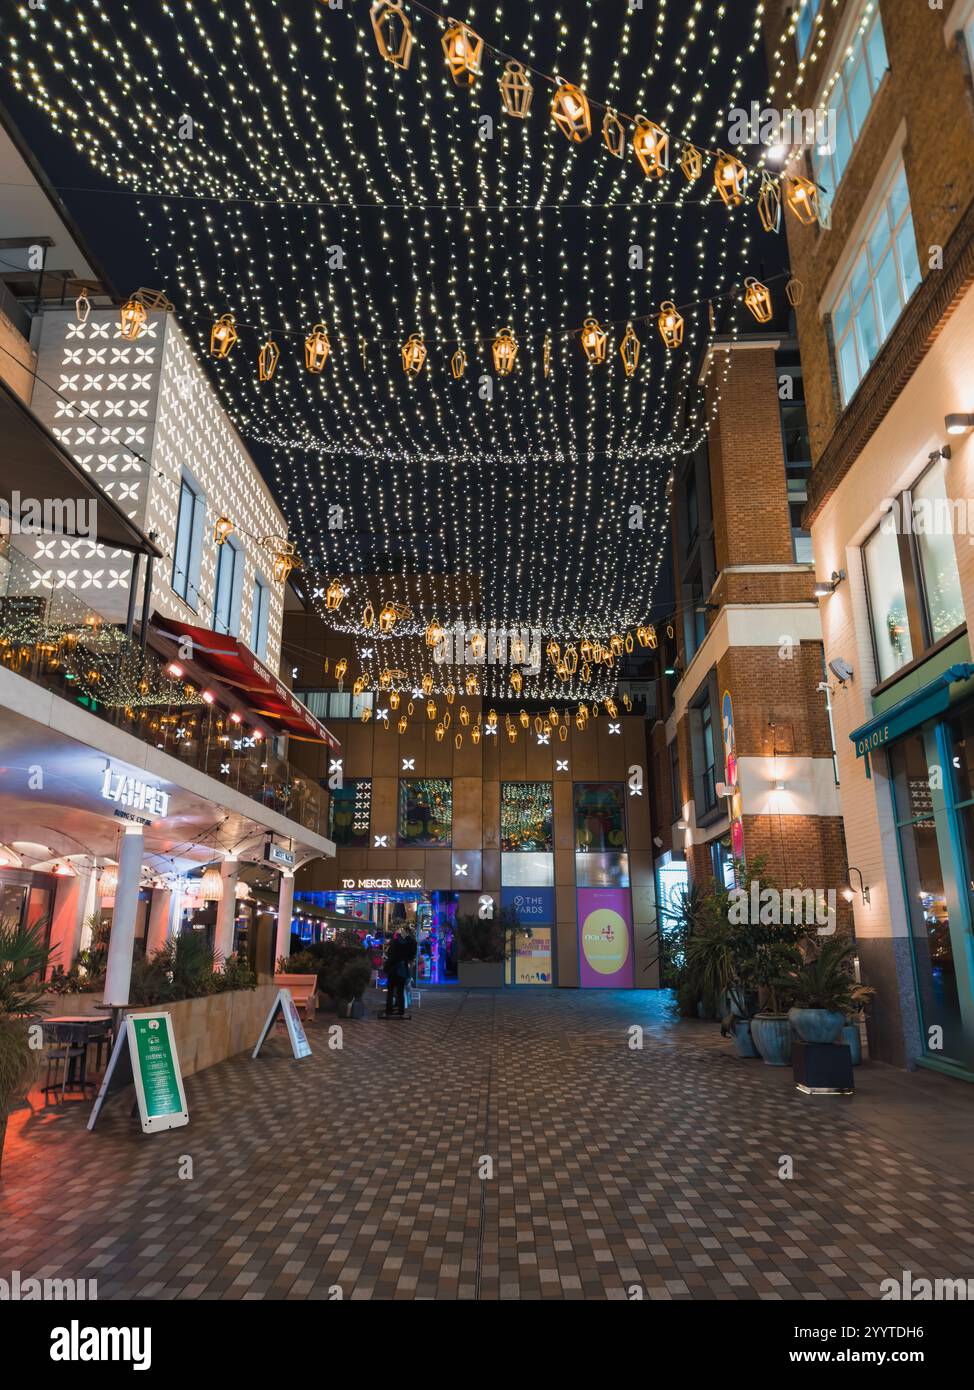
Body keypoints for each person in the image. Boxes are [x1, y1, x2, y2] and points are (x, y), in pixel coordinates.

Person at [383, 931, 411, 1017]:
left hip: (394, 971)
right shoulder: (406, 946)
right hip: (402, 972)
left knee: (390, 991)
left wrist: (386, 968)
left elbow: (391, 959)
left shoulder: (394, 946)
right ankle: (401, 1010)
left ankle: (389, 1010)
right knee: (400, 992)